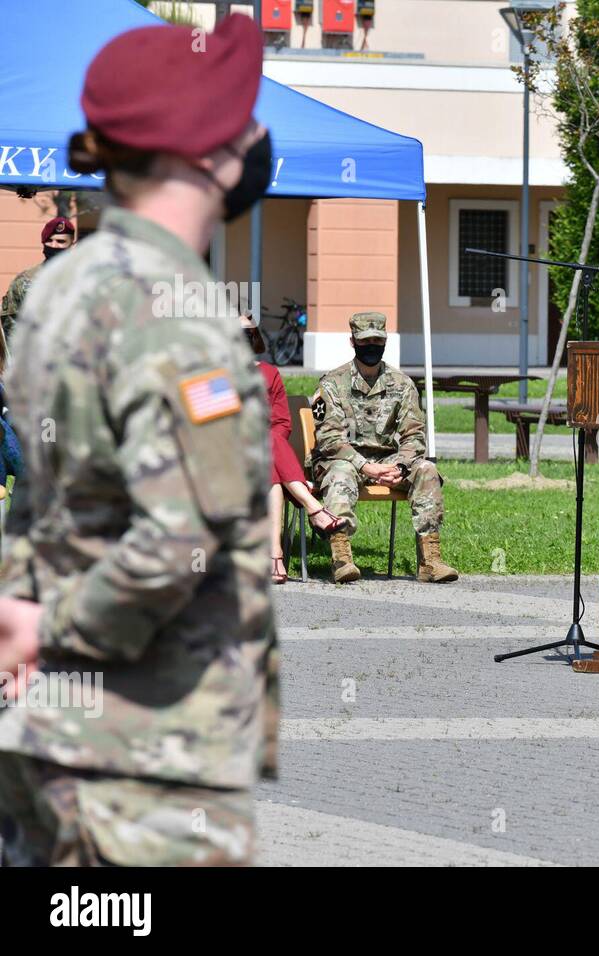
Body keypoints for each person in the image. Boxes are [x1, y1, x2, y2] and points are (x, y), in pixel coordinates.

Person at [0, 14, 278, 866]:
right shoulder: (181, 315)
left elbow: (39, 499)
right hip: (147, 747)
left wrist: (20, 618)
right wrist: (51, 628)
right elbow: (177, 540)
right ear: (203, 149)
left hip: (50, 734)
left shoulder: (58, 291)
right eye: (244, 115)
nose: (258, 136)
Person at [311, 311, 457, 585]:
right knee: (340, 474)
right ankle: (341, 559)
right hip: (345, 461)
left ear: (385, 341)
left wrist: (400, 466)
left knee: (426, 469)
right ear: (352, 342)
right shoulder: (332, 383)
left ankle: (430, 561)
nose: (371, 347)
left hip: (388, 461)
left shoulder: (402, 384)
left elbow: (414, 435)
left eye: (377, 341)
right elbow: (329, 439)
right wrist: (367, 467)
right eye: (365, 341)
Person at [241, 314, 343, 583]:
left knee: (272, 466)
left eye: (248, 335)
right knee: (267, 443)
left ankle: (274, 555)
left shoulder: (269, 373)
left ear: (255, 339)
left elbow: (284, 423)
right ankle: (313, 507)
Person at [1, 216, 76, 340]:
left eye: (61, 241)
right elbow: (10, 324)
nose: (54, 245)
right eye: (49, 240)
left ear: (71, 243)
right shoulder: (24, 280)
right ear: (43, 242)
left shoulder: (87, 278)